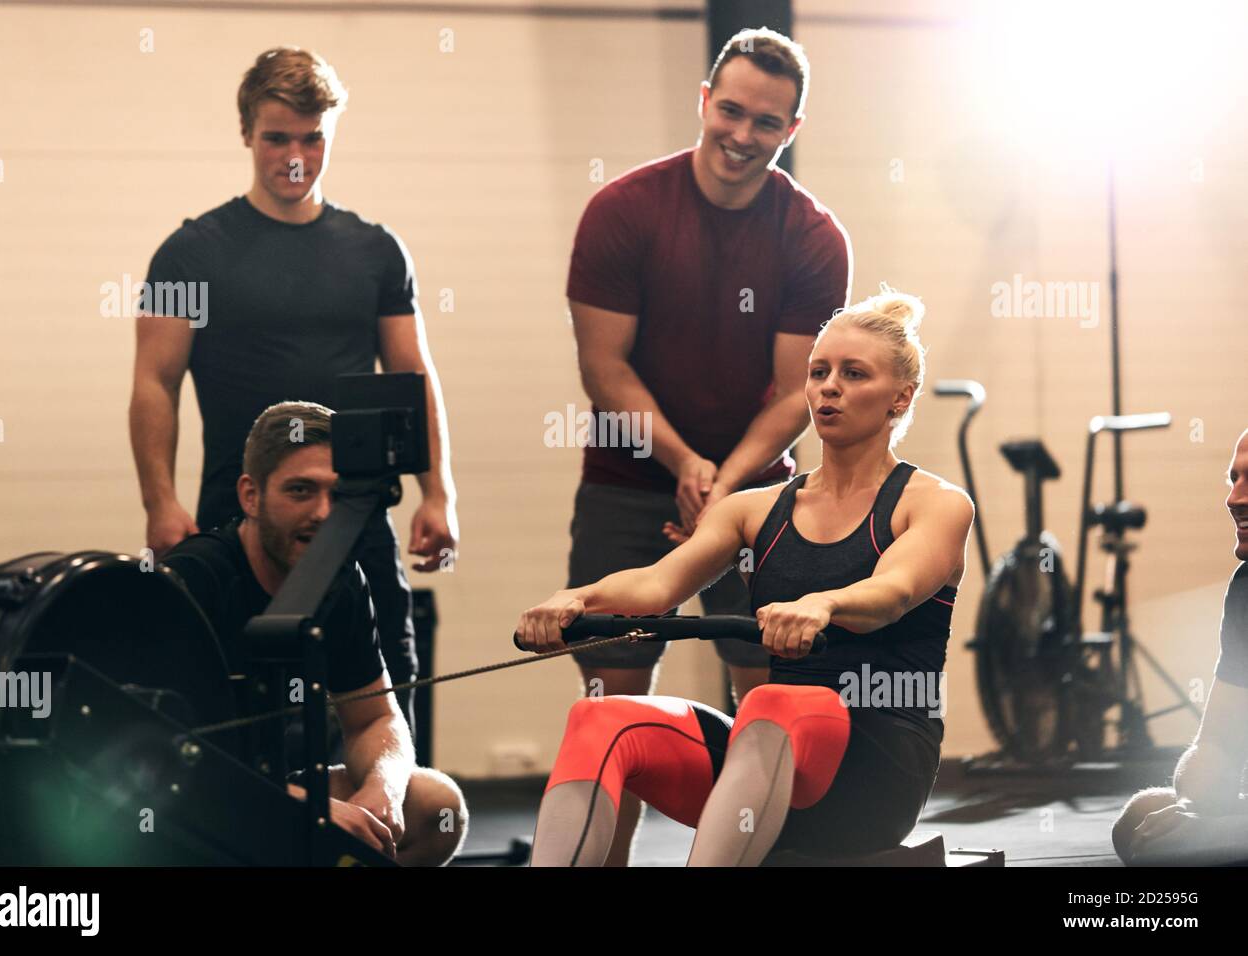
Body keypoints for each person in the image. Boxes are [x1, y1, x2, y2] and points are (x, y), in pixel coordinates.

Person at [518, 289, 973, 866]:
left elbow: (895, 593)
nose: (829, 387)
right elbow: (657, 587)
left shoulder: (934, 503)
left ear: (900, 398)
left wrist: (823, 605)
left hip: (876, 762)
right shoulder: (752, 509)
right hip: (767, 756)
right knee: (599, 716)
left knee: (771, 702)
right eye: (818, 372)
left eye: (854, 374)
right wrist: (573, 599)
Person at [561, 26, 851, 864]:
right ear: (704, 101)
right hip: (628, 479)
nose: (742, 134)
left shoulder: (813, 237)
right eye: (730, 110)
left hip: (758, 497)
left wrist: (726, 483)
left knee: (767, 699)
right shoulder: (623, 211)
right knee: (609, 706)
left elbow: (798, 390)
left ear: (789, 131)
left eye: (766, 123)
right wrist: (686, 464)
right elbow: (603, 366)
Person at [130, 46, 458, 734]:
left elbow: (413, 376)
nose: (295, 156)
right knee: (238, 718)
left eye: (313, 139)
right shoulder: (191, 252)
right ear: (247, 132)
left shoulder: (375, 250)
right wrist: (161, 504)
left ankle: (381, 835)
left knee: (383, 711)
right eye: (277, 137)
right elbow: (155, 382)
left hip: (359, 513)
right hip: (237, 516)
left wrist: (439, 493)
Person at [162, 401, 467, 866]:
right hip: (181, 800)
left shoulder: (340, 581)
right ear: (250, 495)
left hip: (268, 792)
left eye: (338, 494)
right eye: (300, 491)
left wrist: (379, 791)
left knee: (432, 805)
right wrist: (300, 807)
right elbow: (159, 751)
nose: (324, 513)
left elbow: (374, 720)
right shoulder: (196, 577)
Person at [1110, 429, 1248, 866]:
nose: (1234, 498)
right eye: (1234, 479)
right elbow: (1217, 744)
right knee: (1139, 820)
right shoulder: (1245, 589)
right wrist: (1197, 801)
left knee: (1169, 849)